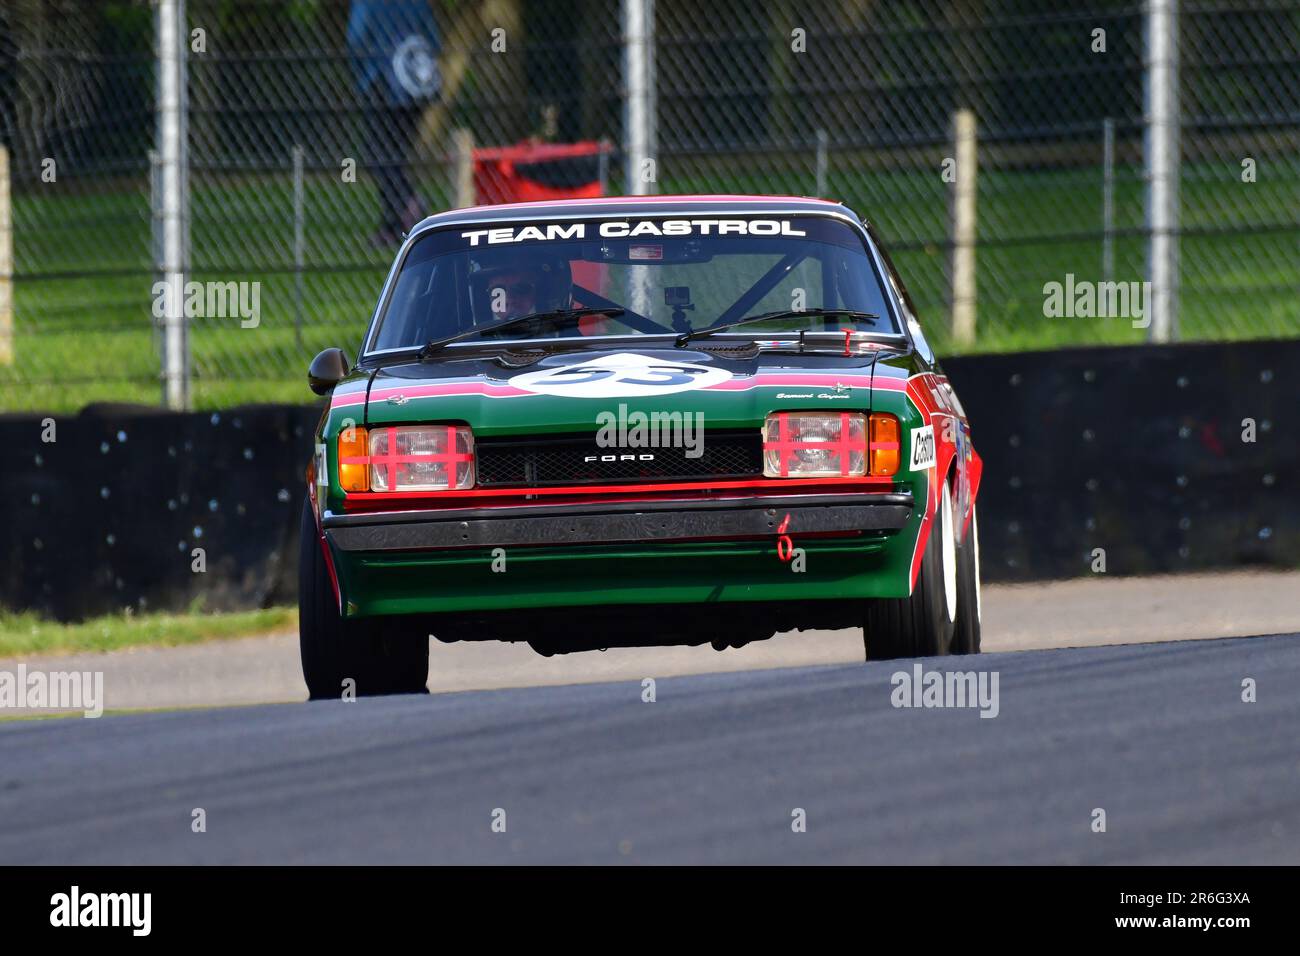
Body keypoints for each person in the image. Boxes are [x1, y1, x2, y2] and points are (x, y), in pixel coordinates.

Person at [347, 1, 442, 246]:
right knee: (397, 154)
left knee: (379, 154)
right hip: (413, 85)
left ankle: (406, 204)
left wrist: (361, 75)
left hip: (381, 81)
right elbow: (433, 39)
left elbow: (356, 39)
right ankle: (393, 223)